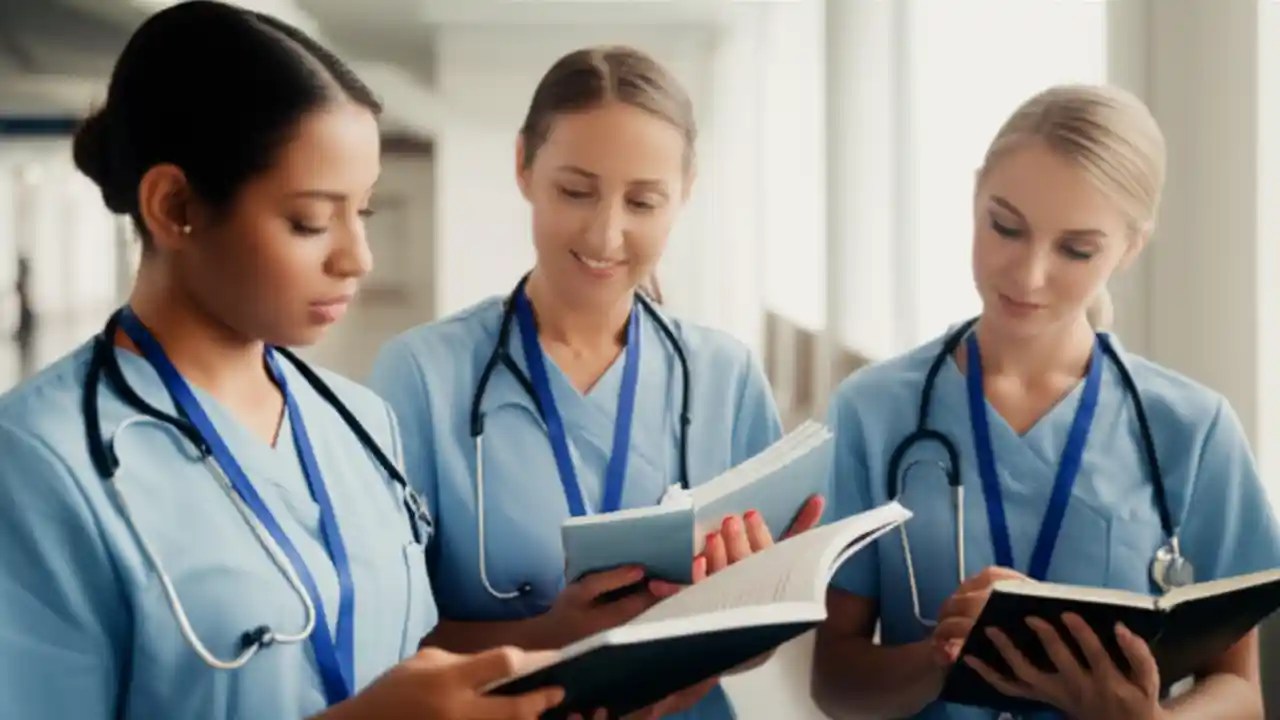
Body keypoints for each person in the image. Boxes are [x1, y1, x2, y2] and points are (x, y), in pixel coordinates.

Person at [0, 3, 565, 718]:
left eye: (361, 213)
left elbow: (401, 662)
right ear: (174, 206)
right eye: (310, 221)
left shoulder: (361, 425)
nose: (357, 258)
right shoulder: (39, 466)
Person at [368, 46, 825, 719]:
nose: (607, 233)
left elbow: (755, 649)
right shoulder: (421, 377)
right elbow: (383, 641)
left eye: (643, 201)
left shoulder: (724, 376)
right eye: (576, 191)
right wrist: (551, 634)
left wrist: (748, 604)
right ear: (524, 165)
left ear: (685, 192)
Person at [811, 84, 1280, 719]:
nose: (1028, 274)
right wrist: (940, 655)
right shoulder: (875, 412)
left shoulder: (1191, 429)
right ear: (975, 198)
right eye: (1005, 227)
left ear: (1129, 247)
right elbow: (834, 680)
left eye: (1075, 249)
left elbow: (1240, 690)